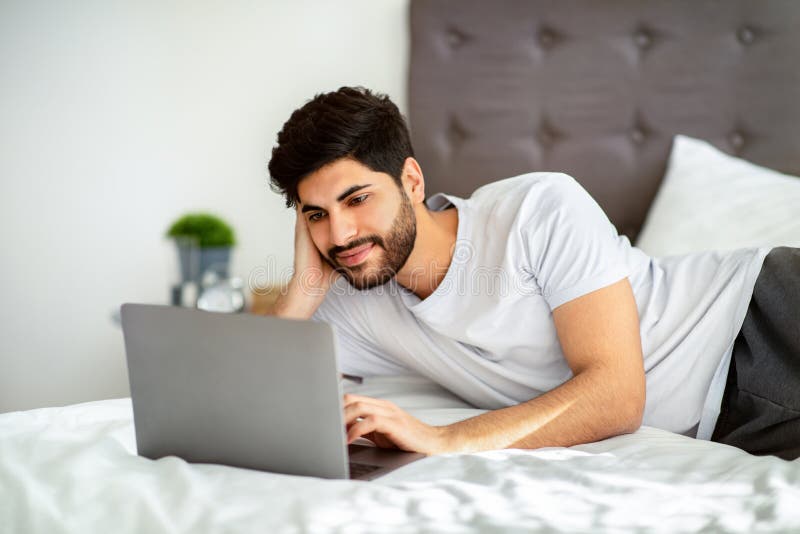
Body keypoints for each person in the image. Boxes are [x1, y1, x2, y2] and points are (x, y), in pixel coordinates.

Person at [266, 86, 800, 460]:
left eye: (356, 199)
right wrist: (302, 290)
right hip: (733, 421)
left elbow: (616, 396)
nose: (339, 234)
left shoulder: (537, 209)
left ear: (410, 179)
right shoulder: (357, 304)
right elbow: (252, 398)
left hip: (756, 315)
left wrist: (443, 438)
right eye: (316, 215)